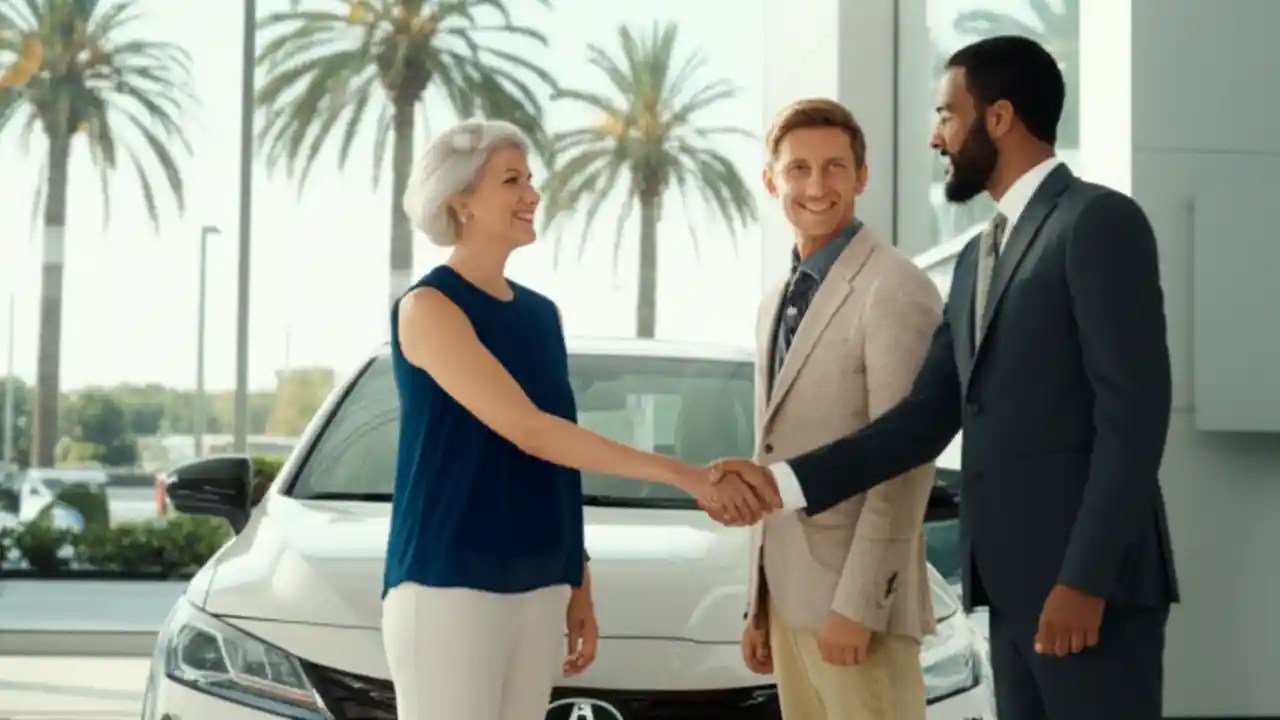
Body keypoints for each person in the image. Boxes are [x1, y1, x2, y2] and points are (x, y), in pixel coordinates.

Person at [714, 36, 1179, 720]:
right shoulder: (975, 259)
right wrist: (778, 485)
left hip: (1087, 594)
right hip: (1012, 591)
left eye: (946, 115)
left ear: (998, 118)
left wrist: (1086, 577)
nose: (936, 136)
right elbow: (920, 422)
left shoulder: (1097, 223)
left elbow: (1134, 417)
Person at [381, 118, 781, 720]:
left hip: (539, 580)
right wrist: (687, 475)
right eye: (512, 180)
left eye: (531, 179)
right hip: (449, 579)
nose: (533, 195)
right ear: (460, 201)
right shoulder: (429, 307)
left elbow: (559, 458)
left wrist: (576, 578)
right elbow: (531, 430)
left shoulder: (542, 317)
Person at [728, 98, 942, 720]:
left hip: (856, 612)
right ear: (772, 181)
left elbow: (905, 455)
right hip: (790, 600)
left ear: (862, 176)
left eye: (834, 168)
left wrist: (860, 605)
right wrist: (758, 604)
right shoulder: (775, 300)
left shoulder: (895, 287)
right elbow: (771, 449)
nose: (816, 186)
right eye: (798, 169)